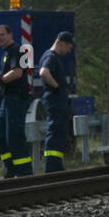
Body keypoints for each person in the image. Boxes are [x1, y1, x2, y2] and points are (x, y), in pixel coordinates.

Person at [0, 23, 33, 177]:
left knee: (14, 136)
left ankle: (24, 173)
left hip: (17, 98)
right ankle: (10, 170)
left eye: (2, 34)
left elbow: (17, 73)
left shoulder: (17, 51)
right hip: (8, 98)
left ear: (10, 35)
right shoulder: (6, 53)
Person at [37, 31, 74, 173]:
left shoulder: (52, 57)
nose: (69, 51)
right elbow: (44, 72)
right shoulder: (51, 56)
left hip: (57, 99)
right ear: (61, 43)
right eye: (68, 47)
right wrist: (57, 87)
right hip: (55, 98)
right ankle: (52, 168)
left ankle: (56, 166)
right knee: (56, 131)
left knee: (60, 133)